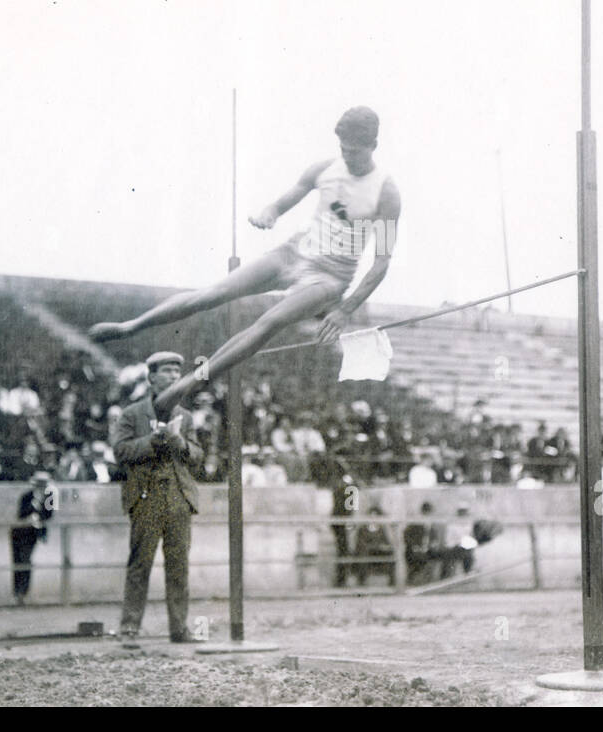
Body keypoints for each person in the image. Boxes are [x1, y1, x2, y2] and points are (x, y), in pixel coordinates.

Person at [89, 107, 402, 419]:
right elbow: (281, 203)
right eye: (343, 149)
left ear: (373, 146)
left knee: (267, 324)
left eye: (355, 152)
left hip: (328, 278)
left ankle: (187, 384)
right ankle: (131, 326)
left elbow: (382, 261)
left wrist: (346, 309)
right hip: (294, 252)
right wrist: (270, 213)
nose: (347, 157)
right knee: (210, 294)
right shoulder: (325, 169)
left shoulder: (385, 192)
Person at [113, 351, 202, 642]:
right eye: (167, 371)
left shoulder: (185, 417)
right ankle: (129, 626)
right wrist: (152, 441)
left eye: (177, 372)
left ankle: (179, 628)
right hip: (146, 495)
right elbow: (121, 452)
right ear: (151, 377)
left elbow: (198, 456)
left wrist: (181, 444)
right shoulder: (132, 414)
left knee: (179, 567)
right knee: (140, 564)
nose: (174, 377)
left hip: (178, 496)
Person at [11, 472, 54, 604]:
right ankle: (17, 592)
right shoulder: (27, 496)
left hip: (33, 532)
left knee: (26, 560)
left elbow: (49, 515)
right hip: (21, 531)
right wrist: (32, 507)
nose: (41, 488)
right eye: (38, 485)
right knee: (18, 561)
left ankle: (23, 592)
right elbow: (20, 514)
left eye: (43, 485)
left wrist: (39, 515)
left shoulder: (49, 498)